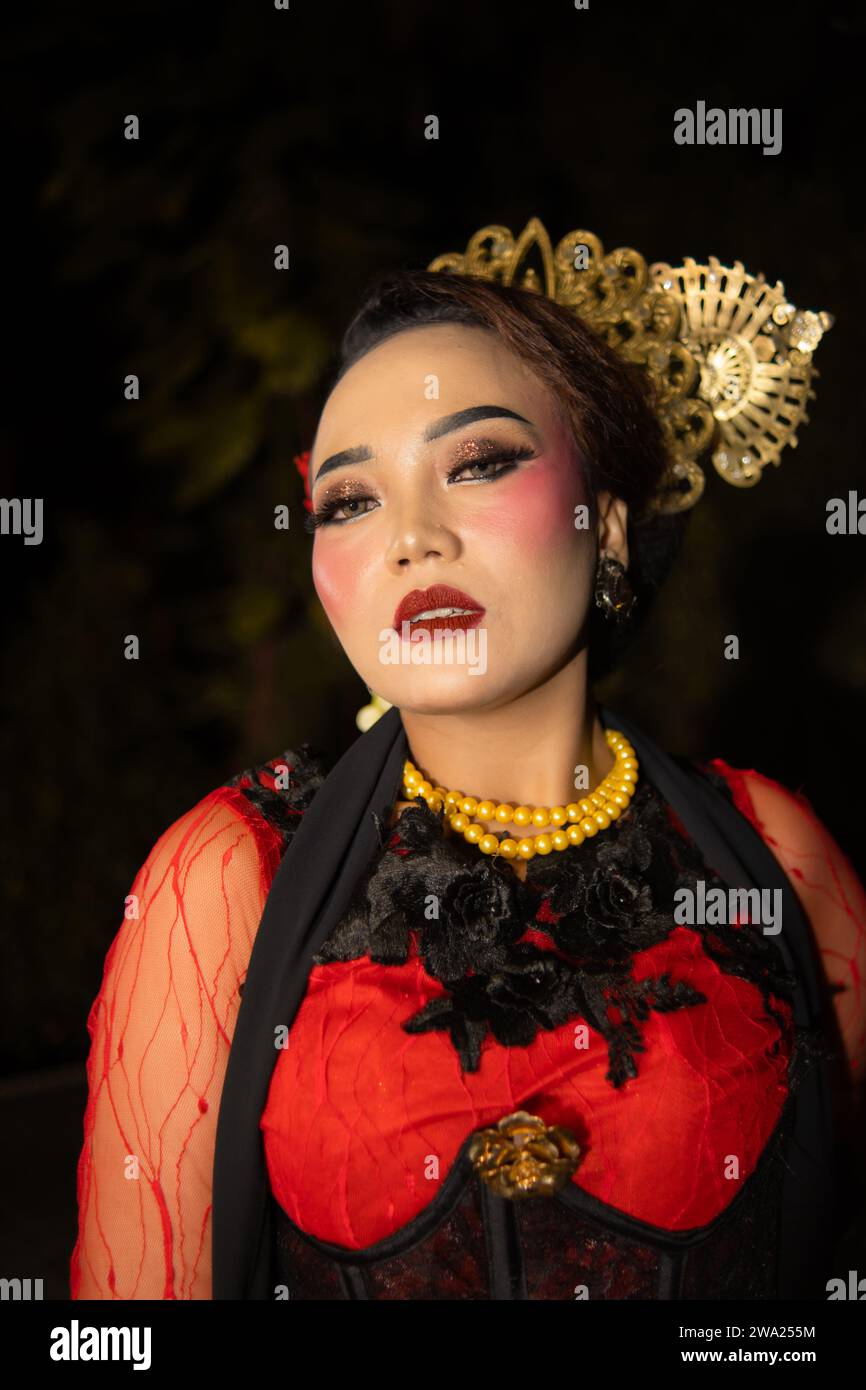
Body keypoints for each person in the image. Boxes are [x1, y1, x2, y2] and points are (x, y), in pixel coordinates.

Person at [70, 220, 866, 1301]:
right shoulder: (226, 877)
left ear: (612, 528)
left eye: (479, 462)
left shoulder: (769, 851)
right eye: (348, 501)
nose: (411, 537)